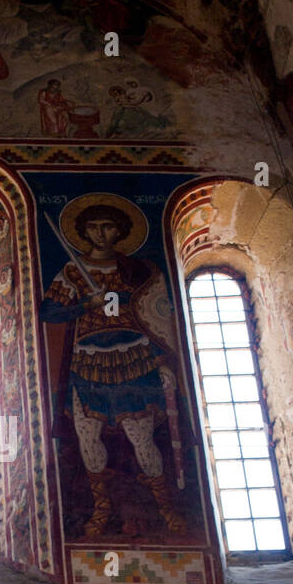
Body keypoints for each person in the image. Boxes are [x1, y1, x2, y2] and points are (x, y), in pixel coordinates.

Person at [41, 199, 185, 536]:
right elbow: (49, 311)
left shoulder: (137, 271)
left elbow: (158, 315)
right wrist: (82, 305)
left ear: (120, 230)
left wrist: (163, 360)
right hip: (86, 361)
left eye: (107, 226)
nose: (100, 233)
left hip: (134, 358)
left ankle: (167, 511)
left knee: (141, 438)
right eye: (93, 227)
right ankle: (100, 510)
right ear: (83, 232)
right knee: (88, 436)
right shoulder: (73, 271)